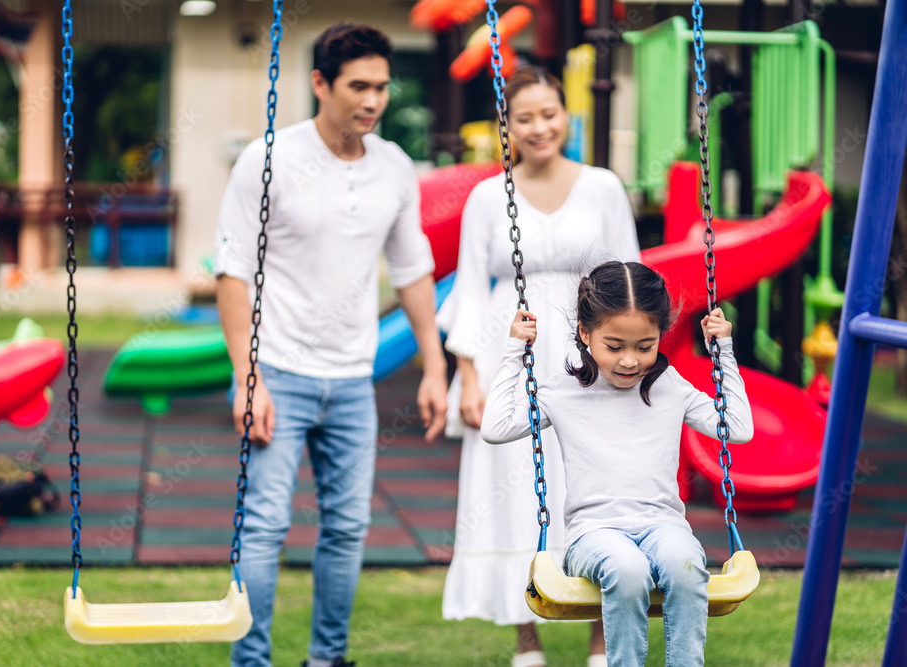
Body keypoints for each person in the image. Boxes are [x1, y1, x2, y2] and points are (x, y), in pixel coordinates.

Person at [214, 23, 449, 667]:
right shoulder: (269, 160)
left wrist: (434, 365)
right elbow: (231, 272)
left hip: (352, 381)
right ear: (320, 83)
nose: (373, 100)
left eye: (381, 86)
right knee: (264, 528)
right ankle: (251, 661)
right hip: (280, 373)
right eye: (358, 87)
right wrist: (248, 376)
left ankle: (328, 658)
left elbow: (413, 273)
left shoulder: (395, 167)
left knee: (346, 531)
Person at [438, 66, 639, 667]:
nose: (538, 127)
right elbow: (470, 292)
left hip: (588, 356)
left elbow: (627, 279)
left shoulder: (602, 187)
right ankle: (526, 638)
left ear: (566, 115)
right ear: (508, 126)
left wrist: (625, 363)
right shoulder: (485, 196)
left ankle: (602, 641)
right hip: (512, 353)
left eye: (548, 113)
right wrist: (469, 380)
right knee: (510, 493)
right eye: (523, 118)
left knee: (595, 488)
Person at [481, 261, 755, 667]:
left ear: (660, 336)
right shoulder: (563, 392)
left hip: (662, 526)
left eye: (645, 346)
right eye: (615, 346)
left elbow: (737, 427)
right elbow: (496, 427)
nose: (630, 360)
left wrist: (724, 352)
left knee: (686, 565)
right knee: (627, 570)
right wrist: (513, 352)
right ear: (585, 333)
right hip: (594, 534)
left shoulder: (669, 387)